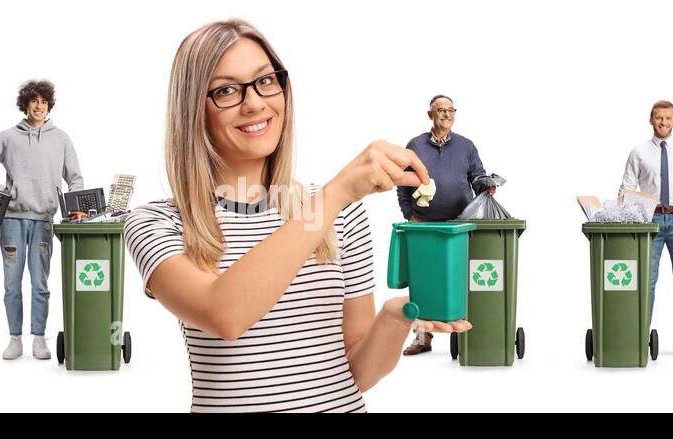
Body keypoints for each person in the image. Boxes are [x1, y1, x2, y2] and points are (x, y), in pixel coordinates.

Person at [124, 19, 470, 412]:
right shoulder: (158, 223)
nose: (254, 102)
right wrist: (333, 194)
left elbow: (355, 372)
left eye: (265, 81)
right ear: (193, 110)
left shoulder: (341, 215)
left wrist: (395, 318)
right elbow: (225, 314)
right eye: (225, 90)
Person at [0, 80, 85, 360]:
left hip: (45, 220)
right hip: (11, 221)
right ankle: (14, 338)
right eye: (34, 101)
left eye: (44, 102)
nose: (39, 106)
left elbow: (75, 178)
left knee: (40, 284)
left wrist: (77, 210)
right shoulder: (9, 137)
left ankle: (38, 339)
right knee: (12, 283)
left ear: (49, 105)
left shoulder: (61, 139)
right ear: (26, 105)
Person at [396, 94, 498, 355]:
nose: (447, 115)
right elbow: (402, 183)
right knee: (423, 281)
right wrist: (410, 215)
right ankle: (422, 337)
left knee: (461, 279)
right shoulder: (415, 145)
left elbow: (477, 176)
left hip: (459, 225)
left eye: (451, 110)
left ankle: (464, 334)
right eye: (441, 110)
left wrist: (485, 184)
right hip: (425, 226)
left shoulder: (466, 146)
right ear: (430, 114)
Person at [619, 100, 673, 355]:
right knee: (646, 282)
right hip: (651, 222)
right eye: (659, 118)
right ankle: (640, 335)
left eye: (668, 118)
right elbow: (626, 188)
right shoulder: (639, 152)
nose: (663, 123)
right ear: (651, 120)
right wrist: (625, 219)